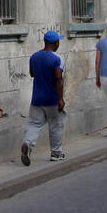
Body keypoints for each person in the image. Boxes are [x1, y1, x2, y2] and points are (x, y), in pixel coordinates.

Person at [21, 31, 65, 165]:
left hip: (37, 98)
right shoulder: (57, 58)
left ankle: (27, 144)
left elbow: (32, 73)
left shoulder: (34, 57)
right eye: (58, 41)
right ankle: (56, 153)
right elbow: (58, 78)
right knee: (56, 125)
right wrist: (60, 98)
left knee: (34, 124)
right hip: (52, 98)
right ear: (56, 43)